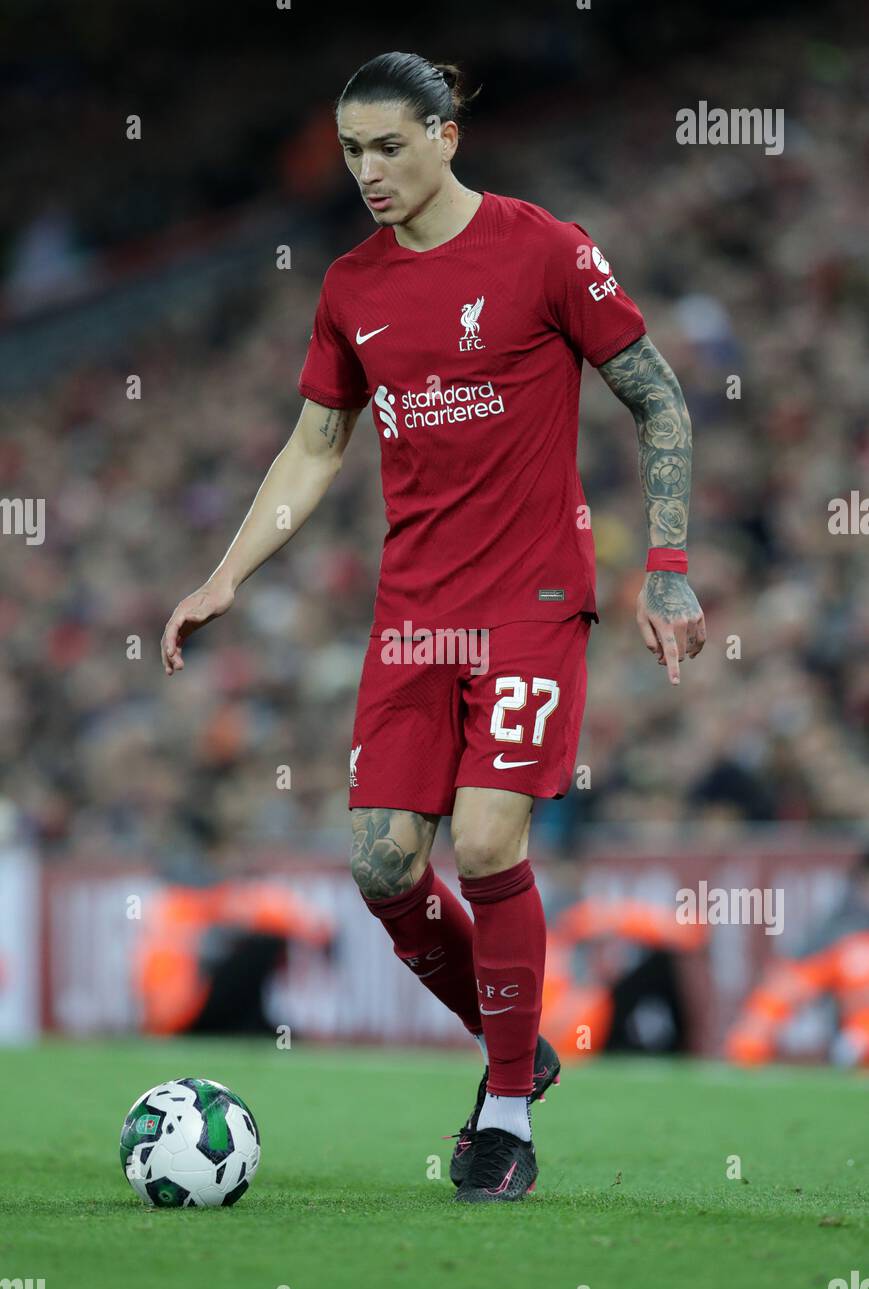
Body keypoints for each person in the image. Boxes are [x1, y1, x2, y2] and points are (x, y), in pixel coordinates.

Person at [161, 50, 706, 1203]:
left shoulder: (543, 249)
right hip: (414, 614)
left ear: (446, 134)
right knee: (380, 865)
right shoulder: (352, 286)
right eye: (352, 151)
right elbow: (314, 446)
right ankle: (519, 1045)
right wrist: (224, 573)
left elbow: (657, 394)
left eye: (388, 146)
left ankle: (501, 1109)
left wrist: (665, 570)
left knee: (489, 843)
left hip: (533, 600)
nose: (367, 171)